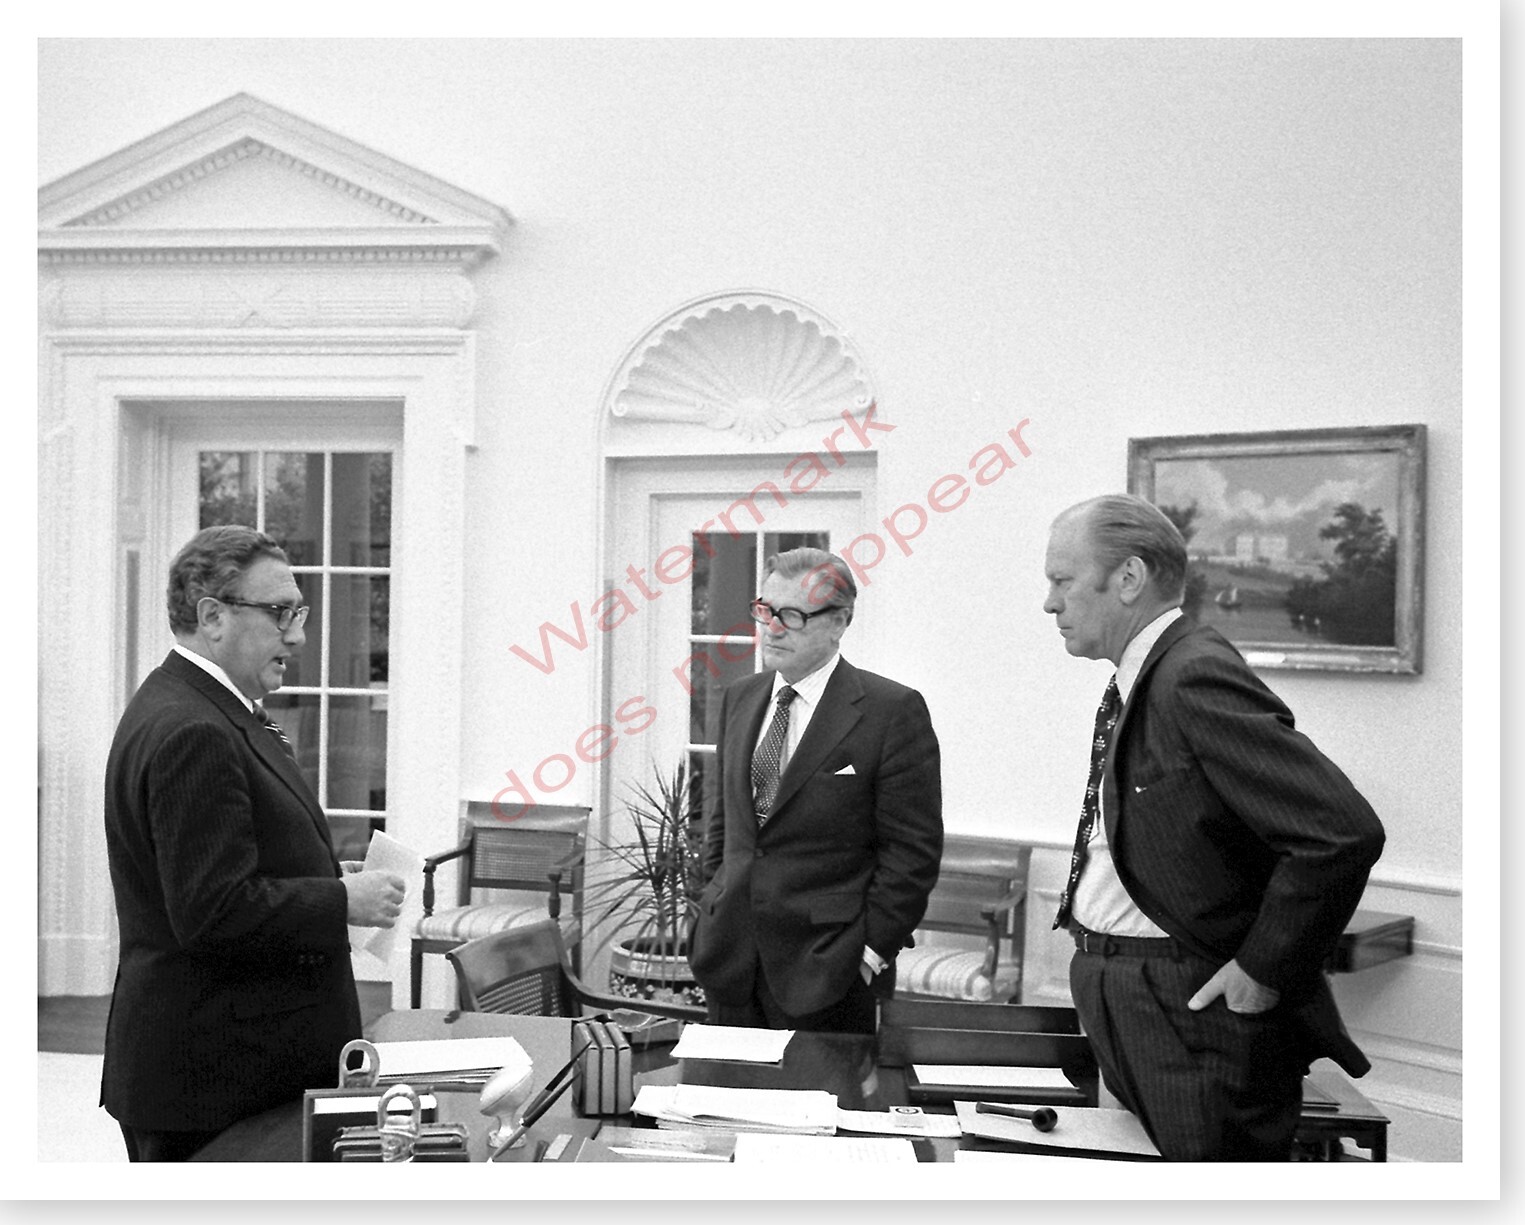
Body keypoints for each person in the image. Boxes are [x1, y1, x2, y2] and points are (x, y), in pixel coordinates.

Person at [1042, 494, 1385, 1161]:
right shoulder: (1144, 674)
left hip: (1186, 1013)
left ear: (1128, 578)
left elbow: (1339, 831)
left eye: (1061, 580)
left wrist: (1260, 969)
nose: (1049, 602)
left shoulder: (1190, 673)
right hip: (1134, 998)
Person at [100, 525, 406, 1161]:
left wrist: (323, 872)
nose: (296, 634)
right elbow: (213, 911)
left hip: (227, 1071)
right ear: (212, 616)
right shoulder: (195, 730)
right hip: (216, 1085)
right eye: (279, 613)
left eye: (298, 612)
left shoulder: (202, 706)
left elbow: (225, 865)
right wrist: (340, 900)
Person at [688, 547, 943, 1035]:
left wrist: (868, 954)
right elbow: (724, 825)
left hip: (829, 973)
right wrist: (709, 909)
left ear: (839, 622)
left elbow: (912, 854)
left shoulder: (892, 712)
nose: (773, 627)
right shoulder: (741, 698)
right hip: (730, 964)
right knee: (717, 1105)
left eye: (793, 615)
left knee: (824, 1110)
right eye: (765, 610)